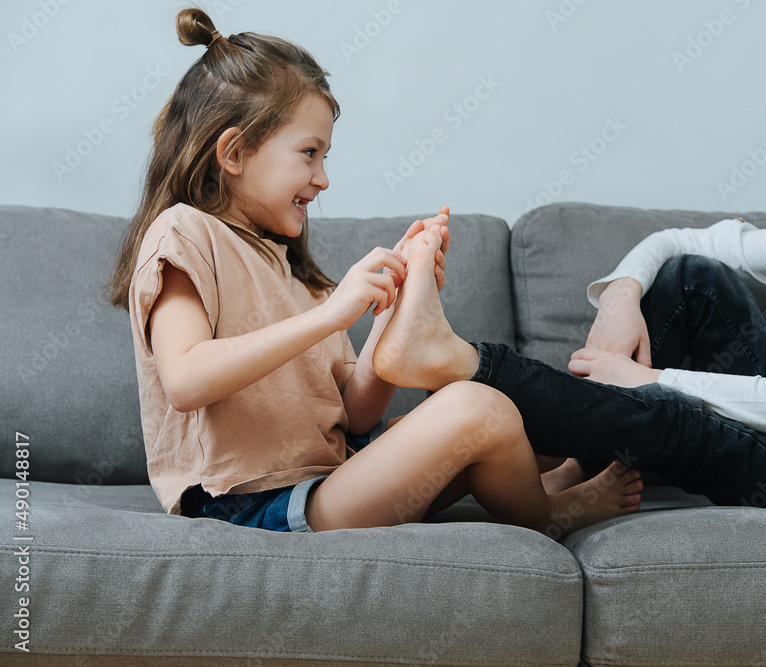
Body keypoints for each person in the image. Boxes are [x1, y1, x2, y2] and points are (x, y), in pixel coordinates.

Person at [372, 16, 766, 516]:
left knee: (683, 422)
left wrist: (646, 379)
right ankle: (560, 463)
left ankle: (464, 363)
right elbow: (676, 240)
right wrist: (621, 294)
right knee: (691, 281)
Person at [106, 8, 642, 536]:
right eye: (309, 153)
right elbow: (186, 380)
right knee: (476, 408)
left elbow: (356, 416)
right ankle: (547, 516)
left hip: (335, 478)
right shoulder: (184, 233)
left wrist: (395, 307)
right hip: (252, 504)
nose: (323, 179)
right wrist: (332, 315)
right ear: (235, 152)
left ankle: (542, 484)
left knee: (513, 408)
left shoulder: (294, 271)